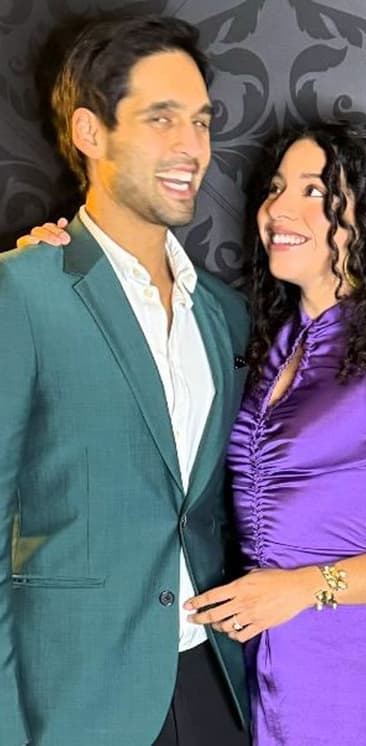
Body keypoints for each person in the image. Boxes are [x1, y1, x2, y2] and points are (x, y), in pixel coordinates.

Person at [0, 15, 251, 746]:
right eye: (161, 118)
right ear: (90, 131)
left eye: (201, 122)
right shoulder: (23, 291)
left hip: (213, 684)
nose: (192, 147)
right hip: (74, 701)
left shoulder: (225, 314)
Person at [181, 121, 366, 745]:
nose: (278, 208)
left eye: (314, 190)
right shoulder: (259, 343)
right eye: (276, 187)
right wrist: (62, 253)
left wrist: (307, 587)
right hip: (265, 673)